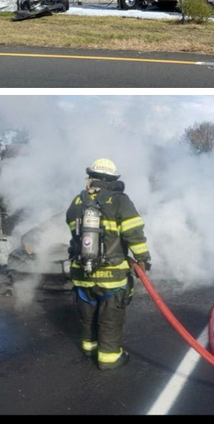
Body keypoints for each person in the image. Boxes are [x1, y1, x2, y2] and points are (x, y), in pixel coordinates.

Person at [66, 158, 151, 370]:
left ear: (91, 178)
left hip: (82, 275)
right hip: (112, 279)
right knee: (110, 320)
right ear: (112, 179)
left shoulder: (77, 202)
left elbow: (73, 235)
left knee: (88, 319)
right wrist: (142, 260)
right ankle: (109, 359)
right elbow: (134, 233)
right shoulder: (120, 200)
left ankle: (89, 349)